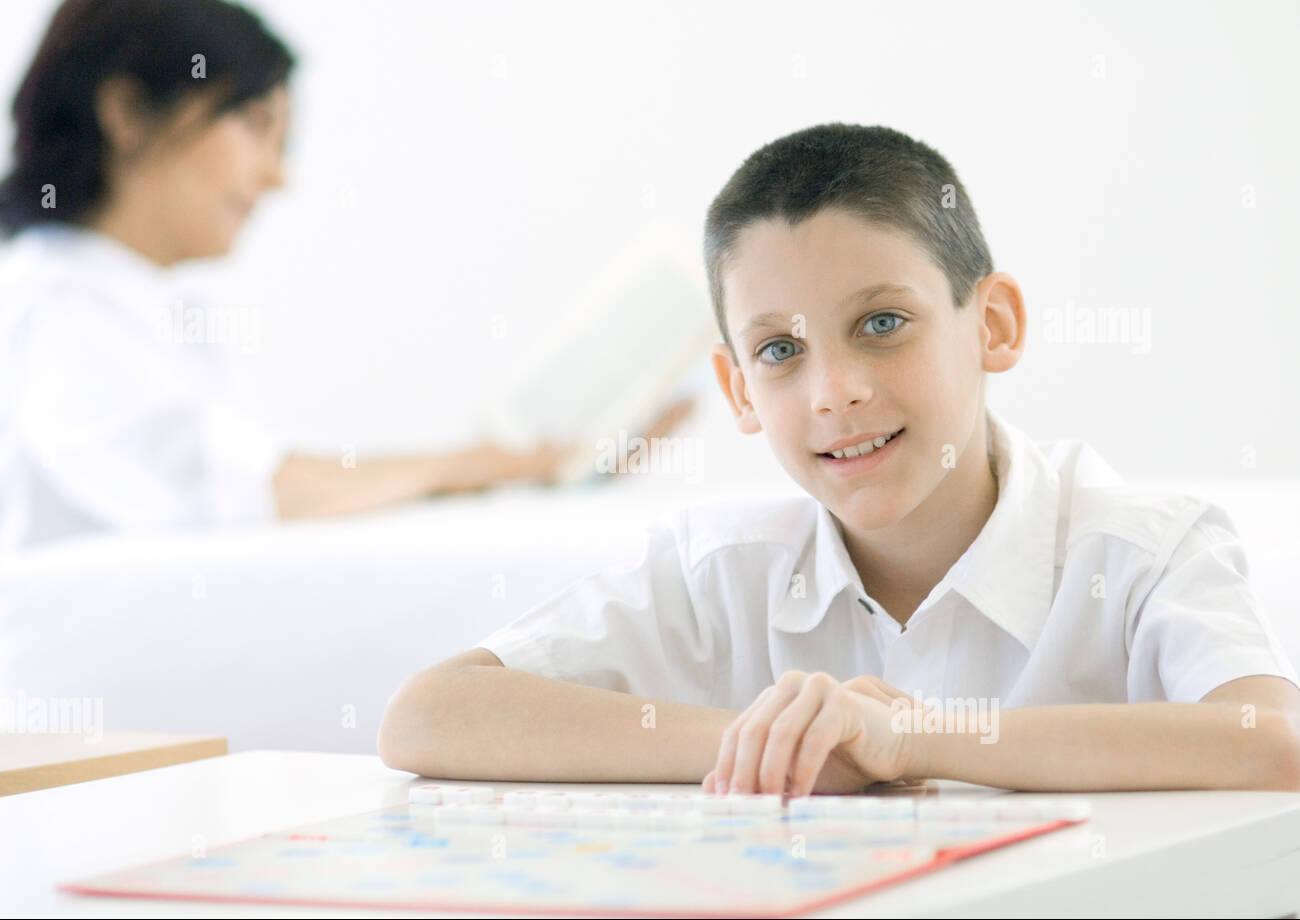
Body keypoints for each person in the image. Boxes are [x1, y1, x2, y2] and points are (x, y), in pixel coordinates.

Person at [378, 123, 1300, 794]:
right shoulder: (716, 573)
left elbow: (1273, 742)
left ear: (993, 324)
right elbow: (428, 714)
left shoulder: (1141, 548)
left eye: (882, 324)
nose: (833, 392)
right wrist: (779, 741)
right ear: (738, 389)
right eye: (779, 350)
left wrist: (915, 736)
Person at [0, 0, 681, 552]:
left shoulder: (124, 304)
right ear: (126, 112)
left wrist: (534, 476)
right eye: (256, 126)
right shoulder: (53, 309)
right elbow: (229, 499)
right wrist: (487, 465)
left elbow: (260, 501)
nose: (275, 176)